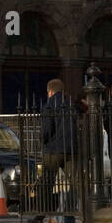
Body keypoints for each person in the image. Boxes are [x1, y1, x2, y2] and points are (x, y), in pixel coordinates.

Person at [38, 78, 78, 215]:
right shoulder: (70, 104)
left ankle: (41, 214)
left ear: (50, 92)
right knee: (76, 183)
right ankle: (74, 213)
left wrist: (43, 141)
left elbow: (47, 129)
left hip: (53, 150)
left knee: (46, 183)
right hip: (70, 149)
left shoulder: (49, 105)